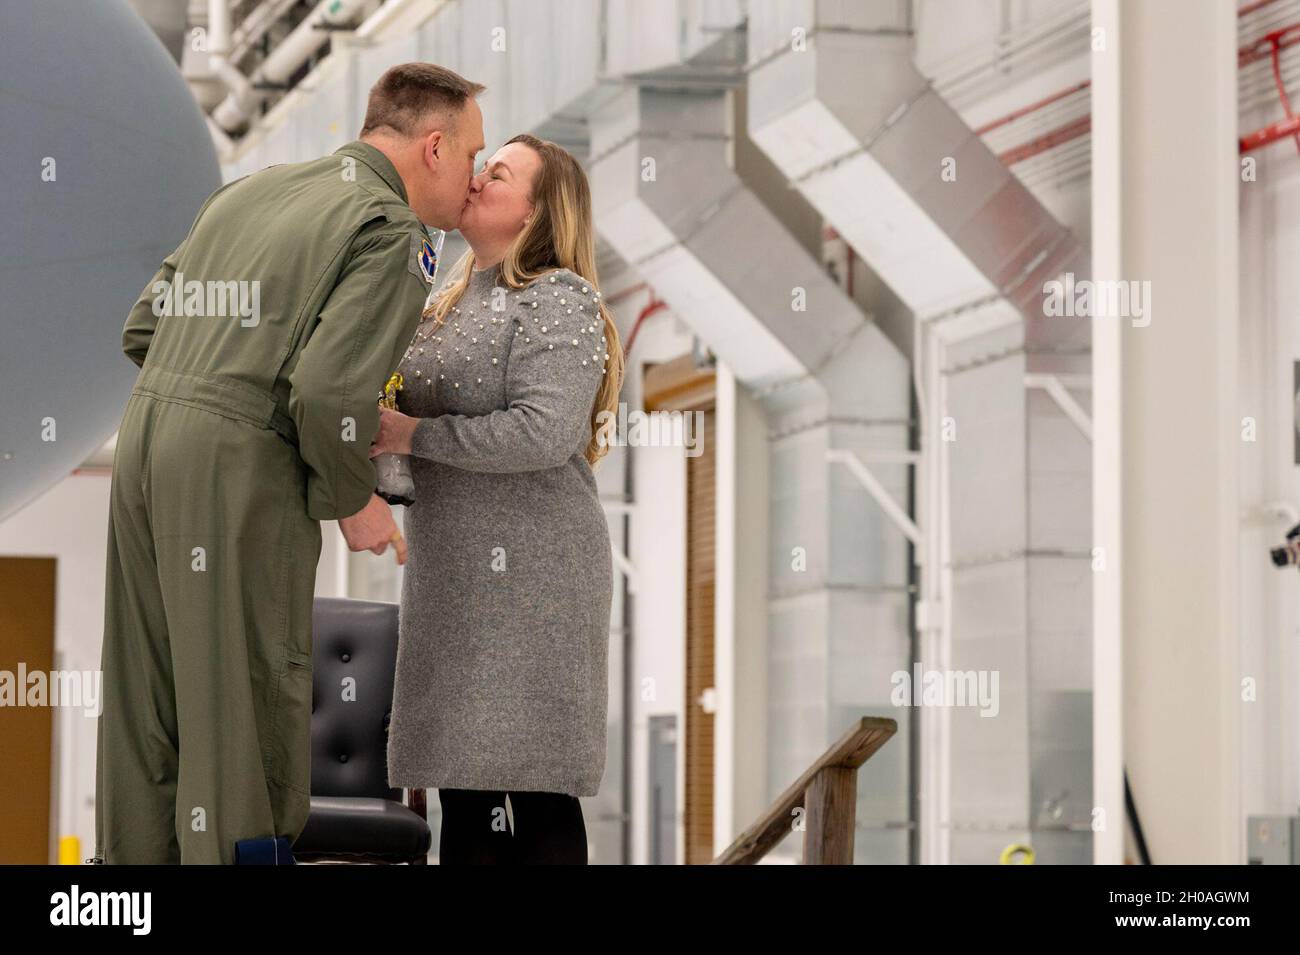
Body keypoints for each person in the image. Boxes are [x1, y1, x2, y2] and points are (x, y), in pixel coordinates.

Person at [94, 63, 486, 865]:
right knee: (242, 693)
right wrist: (354, 499)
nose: (475, 177)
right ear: (435, 148)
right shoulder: (389, 231)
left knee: (146, 692)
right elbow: (323, 391)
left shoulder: (250, 191)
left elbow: (143, 326)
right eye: (474, 155)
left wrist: (208, 384)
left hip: (146, 446)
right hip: (238, 463)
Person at [369, 134, 625, 864]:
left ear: (537, 215)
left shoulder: (558, 298)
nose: (477, 179)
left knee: (535, 791)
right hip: (453, 575)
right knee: (464, 788)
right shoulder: (441, 303)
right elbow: (399, 438)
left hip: (536, 580)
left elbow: (544, 432)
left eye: (499, 173)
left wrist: (413, 435)